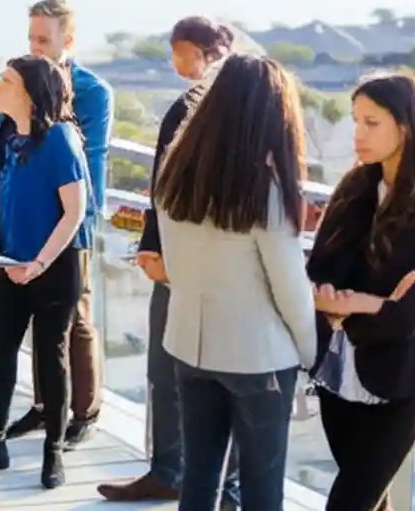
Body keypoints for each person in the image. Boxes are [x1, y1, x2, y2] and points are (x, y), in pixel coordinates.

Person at [151, 53, 316, 511]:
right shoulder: (264, 189)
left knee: (199, 480)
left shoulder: (173, 176)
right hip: (258, 357)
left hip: (189, 345)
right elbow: (290, 287)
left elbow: (177, 265)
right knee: (263, 492)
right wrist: (309, 353)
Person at [307, 73, 415, 511]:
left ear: (408, 127)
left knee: (350, 501)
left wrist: (350, 303)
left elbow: (408, 315)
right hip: (337, 370)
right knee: (369, 500)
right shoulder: (352, 188)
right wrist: (367, 302)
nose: (357, 134)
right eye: (356, 120)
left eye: (371, 122)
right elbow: (318, 270)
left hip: (399, 377)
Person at [98, 15, 241, 504]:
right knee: (164, 369)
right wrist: (151, 248)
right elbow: (161, 189)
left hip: (228, 266)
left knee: (230, 375)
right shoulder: (182, 109)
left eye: (178, 51)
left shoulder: (249, 110)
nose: (173, 61)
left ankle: (231, 485)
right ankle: (166, 470)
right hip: (174, 260)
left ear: (200, 51)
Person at [0, 55, 90, 489]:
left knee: (51, 358)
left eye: (6, 81)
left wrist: (40, 263)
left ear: (28, 91)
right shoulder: (10, 136)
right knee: (0, 350)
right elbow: (2, 186)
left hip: (54, 266)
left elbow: (74, 212)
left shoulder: (61, 139)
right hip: (10, 262)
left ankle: (54, 452)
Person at [5, 0, 111, 448]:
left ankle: (84, 410)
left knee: (75, 316)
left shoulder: (92, 91)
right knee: (36, 311)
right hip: (26, 216)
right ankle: (45, 404)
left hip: (72, 219)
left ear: (68, 41)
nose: (35, 47)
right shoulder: (23, 79)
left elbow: (94, 161)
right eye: (31, 38)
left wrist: (83, 222)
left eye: (43, 40)